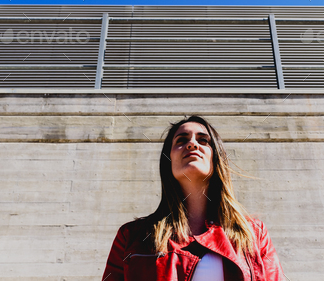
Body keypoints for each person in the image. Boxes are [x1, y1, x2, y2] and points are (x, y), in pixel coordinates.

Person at [101, 115, 285, 280]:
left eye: (203, 140)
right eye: (181, 140)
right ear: (169, 160)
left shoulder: (253, 234)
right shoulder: (132, 236)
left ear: (216, 157)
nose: (192, 144)